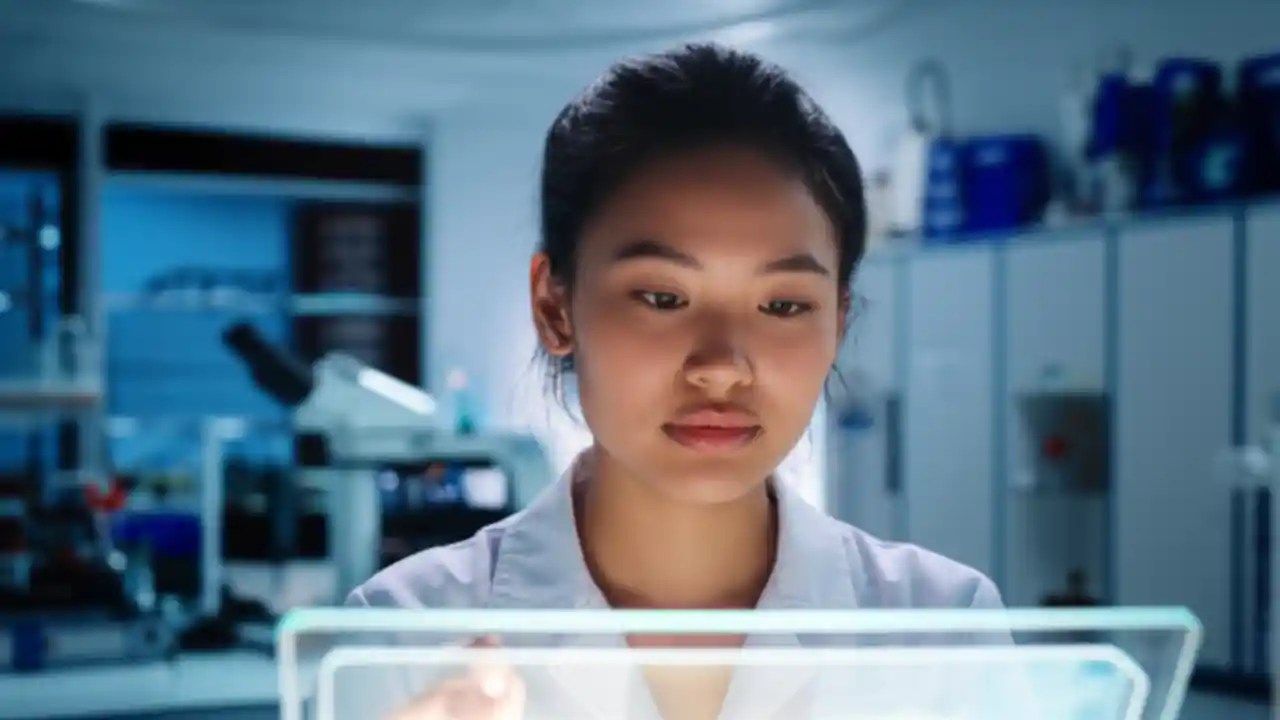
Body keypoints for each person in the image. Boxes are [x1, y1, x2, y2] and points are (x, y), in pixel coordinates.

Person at [346, 42, 1003, 720]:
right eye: (662, 297)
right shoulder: (405, 636)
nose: (721, 365)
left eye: (783, 305)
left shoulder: (939, 627)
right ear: (554, 306)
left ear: (837, 320)